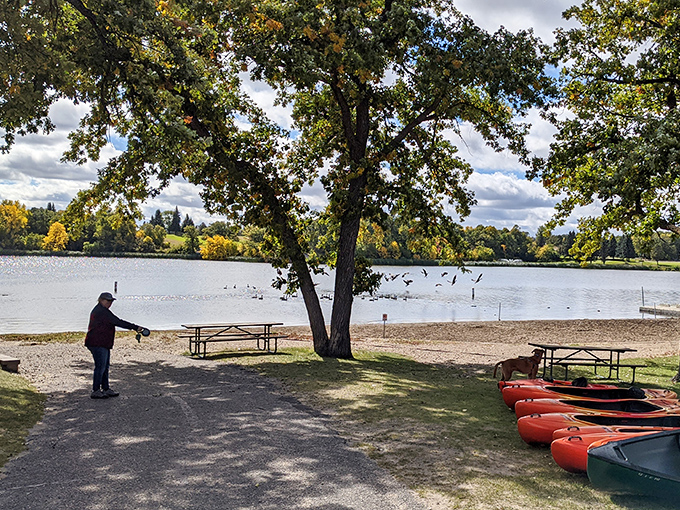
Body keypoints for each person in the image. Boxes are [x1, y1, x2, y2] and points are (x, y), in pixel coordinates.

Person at [85, 292, 145, 399]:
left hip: (102, 343)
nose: (110, 303)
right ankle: (96, 390)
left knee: (105, 366)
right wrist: (135, 327)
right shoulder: (102, 312)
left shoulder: (102, 310)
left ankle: (106, 388)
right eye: (108, 301)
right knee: (100, 367)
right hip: (97, 343)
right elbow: (118, 322)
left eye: (111, 301)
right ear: (101, 300)